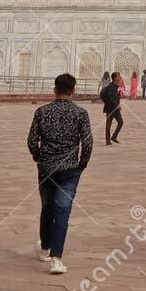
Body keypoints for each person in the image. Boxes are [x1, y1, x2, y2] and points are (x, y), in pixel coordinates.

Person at [27, 73, 94, 276]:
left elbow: (31, 141)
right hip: (69, 169)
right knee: (62, 211)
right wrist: (80, 164)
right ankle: (56, 258)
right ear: (73, 90)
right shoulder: (80, 113)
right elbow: (88, 143)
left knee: (47, 208)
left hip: (46, 168)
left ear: (55, 89)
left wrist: (39, 158)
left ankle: (45, 248)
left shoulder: (42, 112)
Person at [100, 70, 124, 145]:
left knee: (120, 122)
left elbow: (114, 96)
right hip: (110, 109)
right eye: (118, 76)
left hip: (116, 109)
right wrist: (116, 105)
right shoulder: (110, 86)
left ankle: (114, 137)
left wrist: (119, 93)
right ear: (115, 78)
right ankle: (108, 140)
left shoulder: (116, 86)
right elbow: (110, 97)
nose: (120, 77)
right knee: (108, 125)